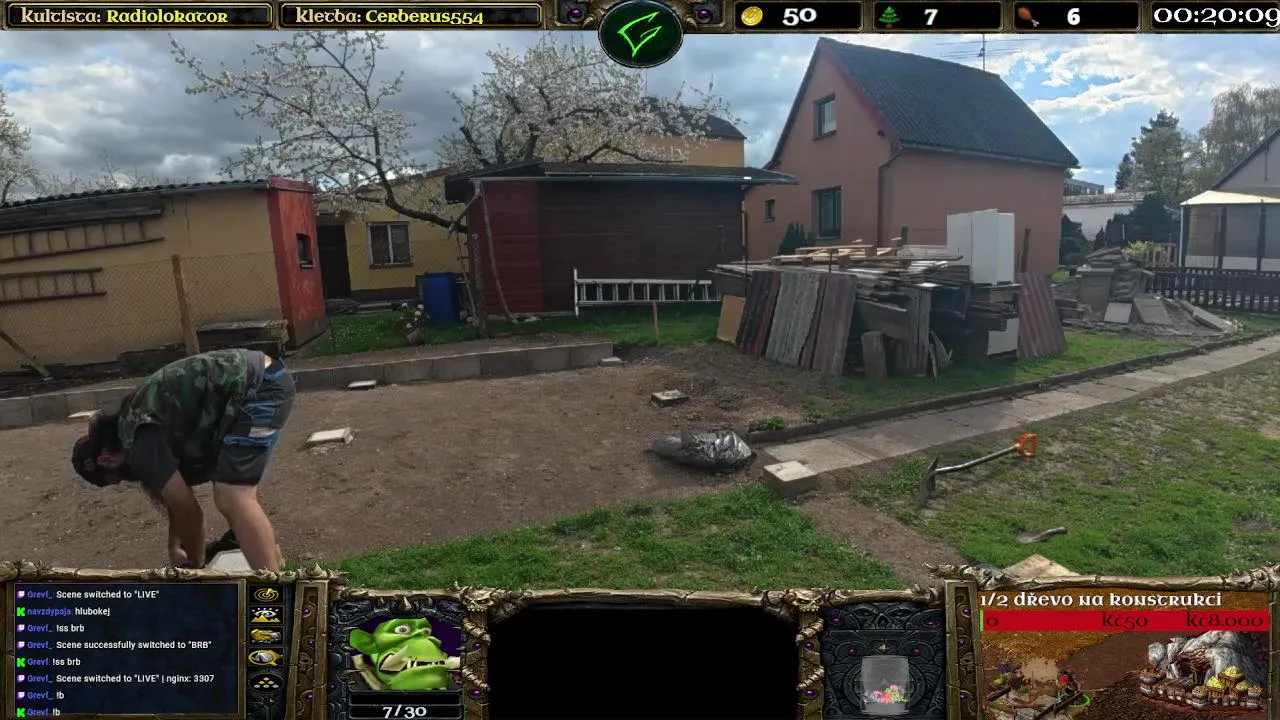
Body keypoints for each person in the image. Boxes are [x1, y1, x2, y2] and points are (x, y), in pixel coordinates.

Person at [71, 348, 295, 571]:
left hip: (258, 388)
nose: (129, 478)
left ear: (107, 460)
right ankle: (268, 555)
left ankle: (272, 587)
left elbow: (189, 514)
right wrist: (174, 546)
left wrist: (194, 568)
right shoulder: (133, 423)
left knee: (233, 496)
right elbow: (176, 501)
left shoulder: (137, 439)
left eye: (118, 478)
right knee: (230, 486)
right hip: (256, 380)